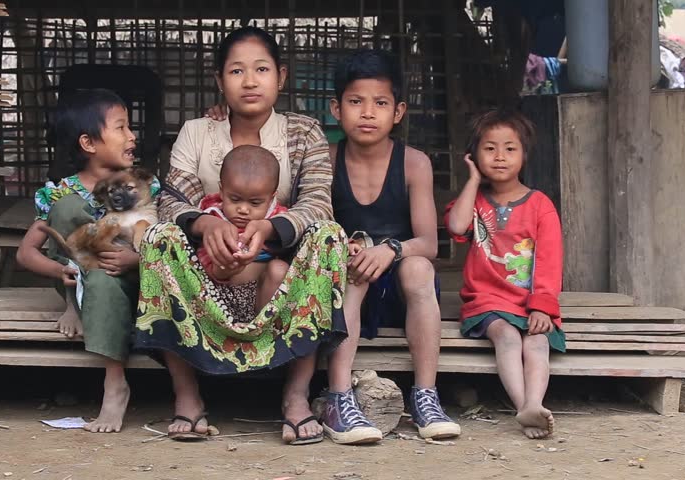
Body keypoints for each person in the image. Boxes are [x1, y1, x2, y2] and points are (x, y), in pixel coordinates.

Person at [135, 26, 347, 445]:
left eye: (261, 69)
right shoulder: (198, 132)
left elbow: (318, 202)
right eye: (236, 71)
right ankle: (187, 395)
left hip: (278, 285)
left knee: (329, 234)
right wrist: (206, 224)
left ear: (281, 76)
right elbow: (173, 200)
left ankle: (296, 395)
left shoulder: (304, 133)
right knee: (160, 236)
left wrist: (269, 228)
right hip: (204, 287)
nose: (250, 81)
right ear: (219, 80)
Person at [322, 49, 460, 444]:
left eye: (380, 103)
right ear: (336, 108)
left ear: (398, 112)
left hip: (400, 290)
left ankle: (425, 397)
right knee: (354, 270)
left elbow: (429, 243)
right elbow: (317, 226)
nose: (368, 113)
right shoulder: (327, 160)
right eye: (355, 102)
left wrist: (390, 250)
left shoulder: (413, 163)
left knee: (419, 268)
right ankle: (338, 397)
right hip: (345, 288)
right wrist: (348, 249)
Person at [16, 89, 159, 433]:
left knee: (113, 265)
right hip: (78, 279)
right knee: (68, 212)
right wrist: (59, 271)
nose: (132, 136)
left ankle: (114, 385)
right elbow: (26, 253)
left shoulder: (141, 185)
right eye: (121, 128)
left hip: (127, 276)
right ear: (89, 143)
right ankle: (78, 314)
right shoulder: (58, 193)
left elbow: (159, 241)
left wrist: (134, 259)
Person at [445, 108, 564, 439]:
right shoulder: (475, 202)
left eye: (510, 148)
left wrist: (542, 304)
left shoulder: (541, 205)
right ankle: (522, 406)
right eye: (489, 148)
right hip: (486, 301)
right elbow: (456, 226)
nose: (500, 157)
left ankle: (534, 404)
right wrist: (471, 180)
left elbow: (550, 259)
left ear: (524, 155)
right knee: (509, 337)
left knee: (537, 342)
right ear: (474, 154)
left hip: (530, 301)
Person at [196, 145, 288, 319]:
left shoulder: (278, 219)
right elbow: (202, 259)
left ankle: (264, 332)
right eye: (235, 199)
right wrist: (222, 269)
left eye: (255, 203)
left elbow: (296, 244)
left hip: (262, 299)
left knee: (279, 269)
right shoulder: (214, 216)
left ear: (271, 198)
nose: (243, 209)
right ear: (222, 191)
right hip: (219, 299)